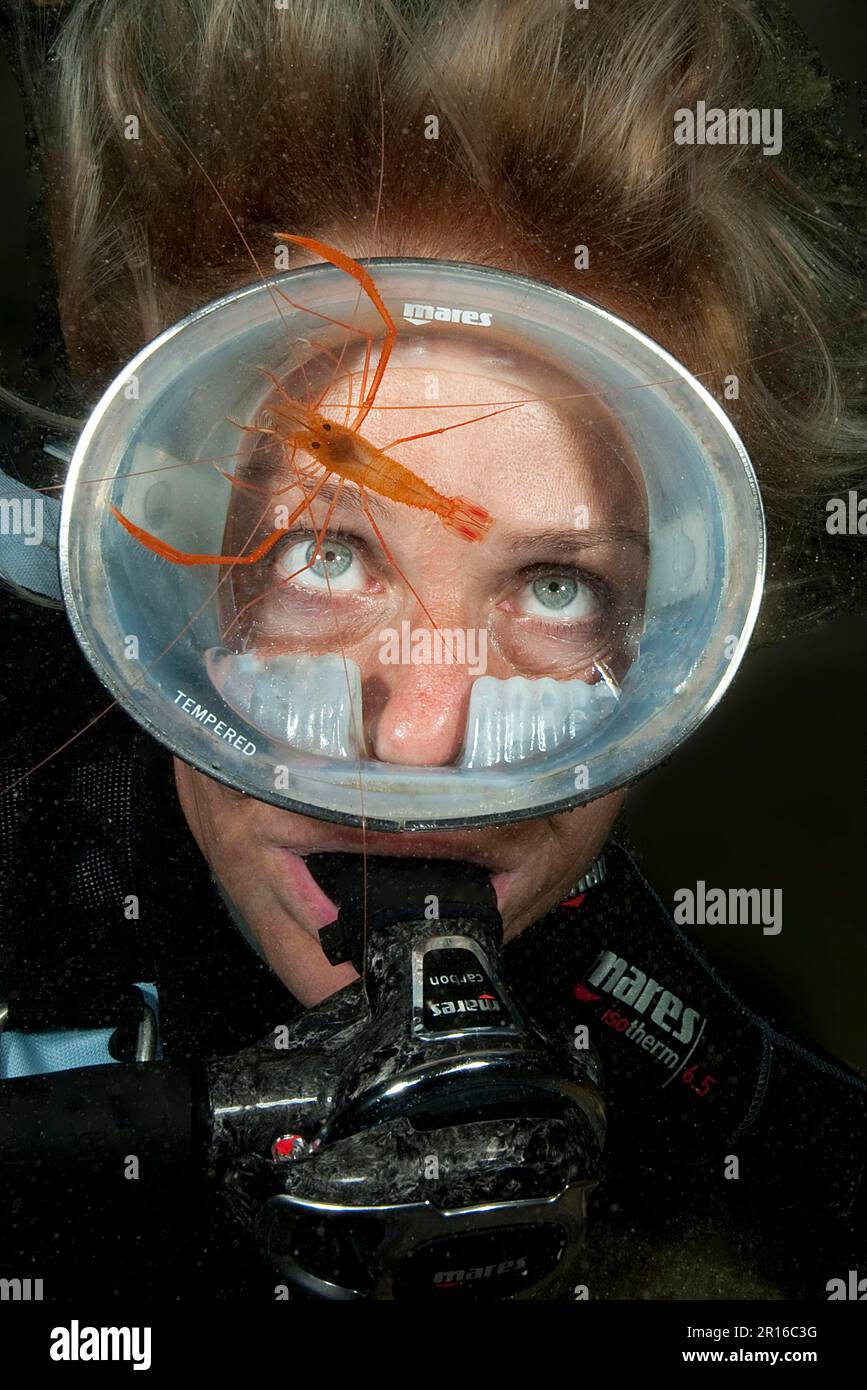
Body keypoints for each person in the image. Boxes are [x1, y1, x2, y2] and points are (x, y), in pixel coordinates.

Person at [0, 0, 864, 1301]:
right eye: (324, 556)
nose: (420, 744)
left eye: (558, 582)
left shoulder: (702, 1068)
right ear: (141, 552)